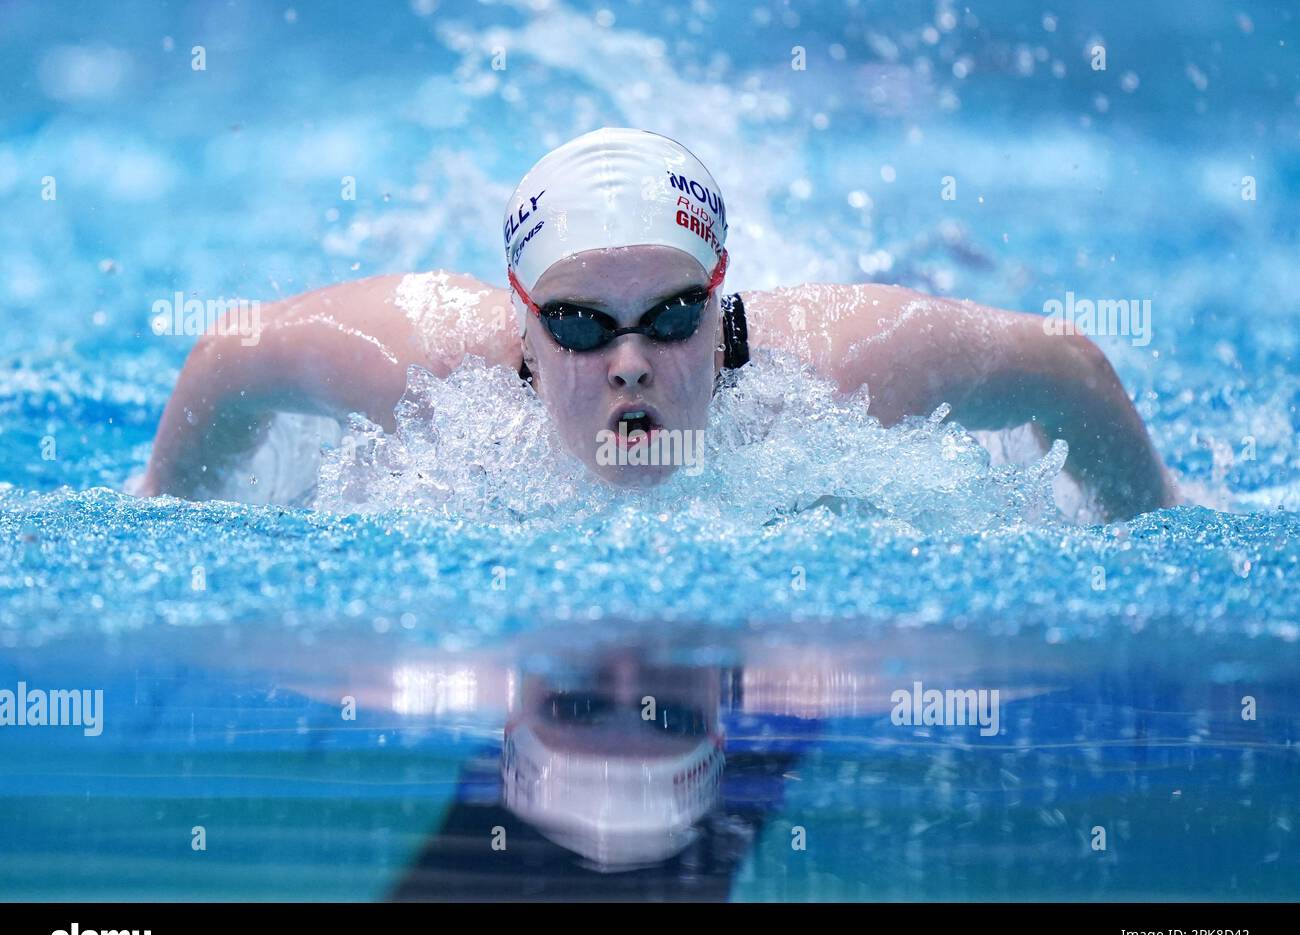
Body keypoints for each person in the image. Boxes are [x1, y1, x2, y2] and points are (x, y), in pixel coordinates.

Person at [137, 127, 1177, 520]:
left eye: (672, 317)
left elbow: (1061, 361)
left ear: (721, 288)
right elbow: (233, 352)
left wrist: (1152, 517)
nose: (630, 363)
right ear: (524, 316)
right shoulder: (419, 362)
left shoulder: (839, 369)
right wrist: (162, 509)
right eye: (584, 328)